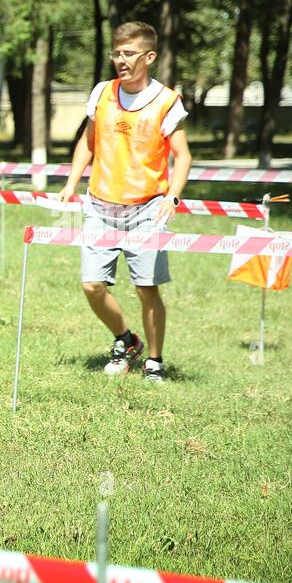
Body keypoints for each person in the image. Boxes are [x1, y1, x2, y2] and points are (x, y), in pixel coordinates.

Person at [56, 21, 192, 383]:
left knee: (147, 288)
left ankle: (154, 361)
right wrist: (71, 183)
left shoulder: (166, 101)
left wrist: (172, 197)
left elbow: (183, 155)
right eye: (117, 53)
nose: (121, 60)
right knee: (91, 285)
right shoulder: (102, 92)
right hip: (101, 205)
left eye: (129, 53)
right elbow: (88, 143)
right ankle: (125, 338)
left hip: (147, 209)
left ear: (149, 56)